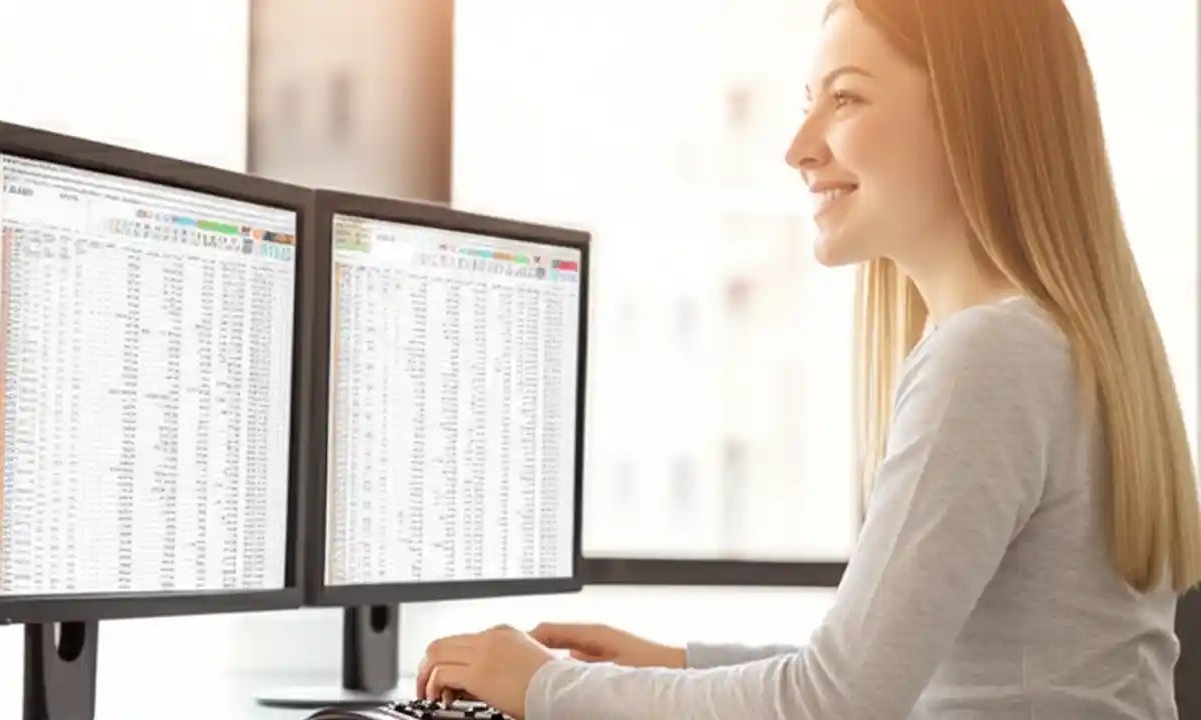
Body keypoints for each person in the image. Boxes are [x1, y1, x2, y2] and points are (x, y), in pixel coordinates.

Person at [415, 0, 1201, 717]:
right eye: (808, 103)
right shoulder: (1049, 340)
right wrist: (677, 664)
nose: (798, 148)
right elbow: (909, 666)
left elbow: (834, 702)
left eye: (847, 97)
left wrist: (548, 688)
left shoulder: (988, 356)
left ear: (972, 114)